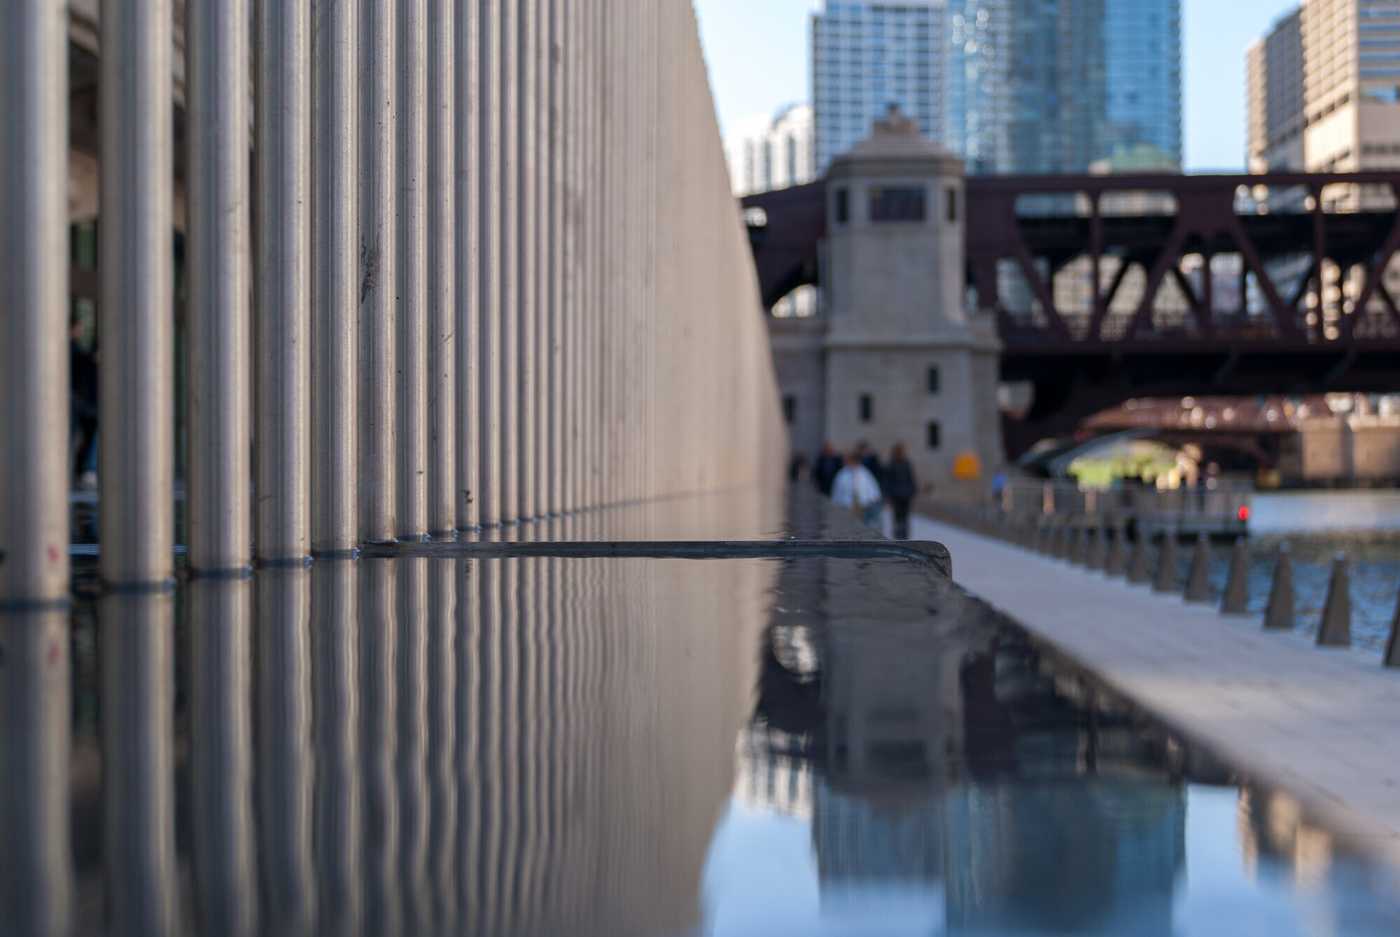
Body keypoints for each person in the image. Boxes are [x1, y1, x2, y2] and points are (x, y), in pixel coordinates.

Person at [70, 320, 99, 487]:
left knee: (85, 436)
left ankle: (82, 470)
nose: (80, 331)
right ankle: (83, 470)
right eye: (78, 328)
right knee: (82, 435)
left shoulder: (76, 349)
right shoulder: (72, 349)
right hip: (80, 401)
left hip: (82, 401)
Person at [831, 450, 884, 528]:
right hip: (847, 505)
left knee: (863, 525)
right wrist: (835, 504)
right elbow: (837, 491)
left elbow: (871, 487)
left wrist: (874, 498)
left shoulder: (864, 472)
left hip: (862, 505)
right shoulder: (842, 474)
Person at [884, 443, 917, 539]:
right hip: (898, 495)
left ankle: (902, 535)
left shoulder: (904, 463)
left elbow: (910, 479)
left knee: (902, 517)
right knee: (900, 517)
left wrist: (912, 490)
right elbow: (888, 481)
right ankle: (900, 535)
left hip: (903, 494)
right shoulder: (892, 464)